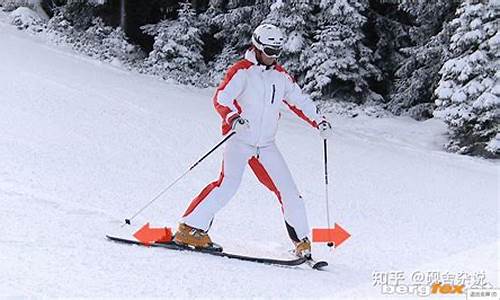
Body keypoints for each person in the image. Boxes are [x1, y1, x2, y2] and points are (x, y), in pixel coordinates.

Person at [173, 24, 333, 258]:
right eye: (269, 50)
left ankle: (301, 241)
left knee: (289, 191)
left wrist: (319, 121)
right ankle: (190, 229)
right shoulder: (242, 71)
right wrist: (233, 118)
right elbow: (222, 97)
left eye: (278, 51)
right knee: (227, 185)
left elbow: (300, 101)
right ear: (257, 47)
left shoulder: (281, 77)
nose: (273, 57)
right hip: (240, 140)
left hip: (266, 145)